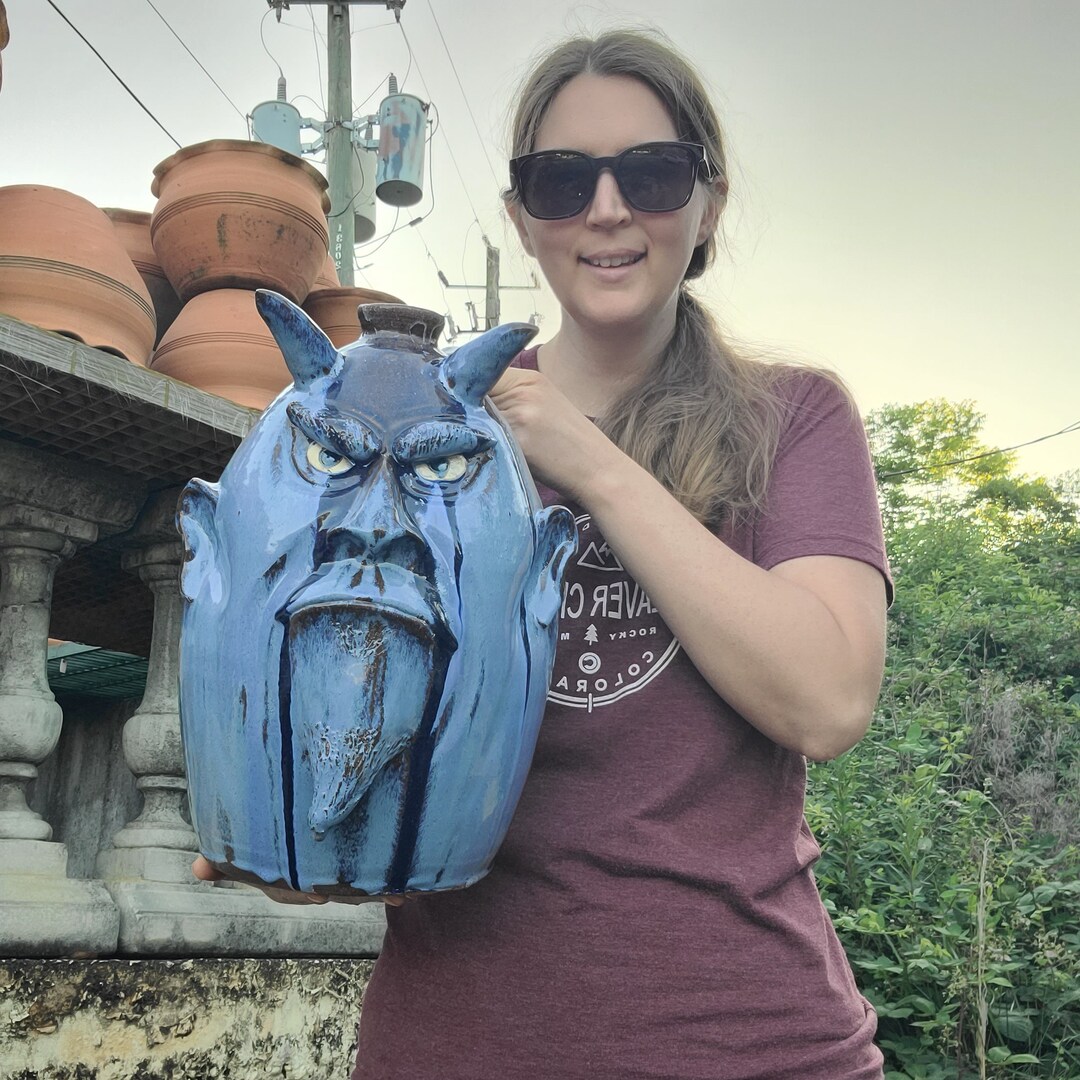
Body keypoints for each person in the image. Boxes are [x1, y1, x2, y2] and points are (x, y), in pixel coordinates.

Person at [201, 26, 892, 1080]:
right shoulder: (429, 434)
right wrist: (302, 838)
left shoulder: (792, 417)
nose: (606, 210)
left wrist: (591, 464)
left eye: (651, 175)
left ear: (708, 202)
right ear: (522, 217)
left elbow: (828, 700)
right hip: (455, 1047)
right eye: (563, 182)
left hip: (751, 1045)